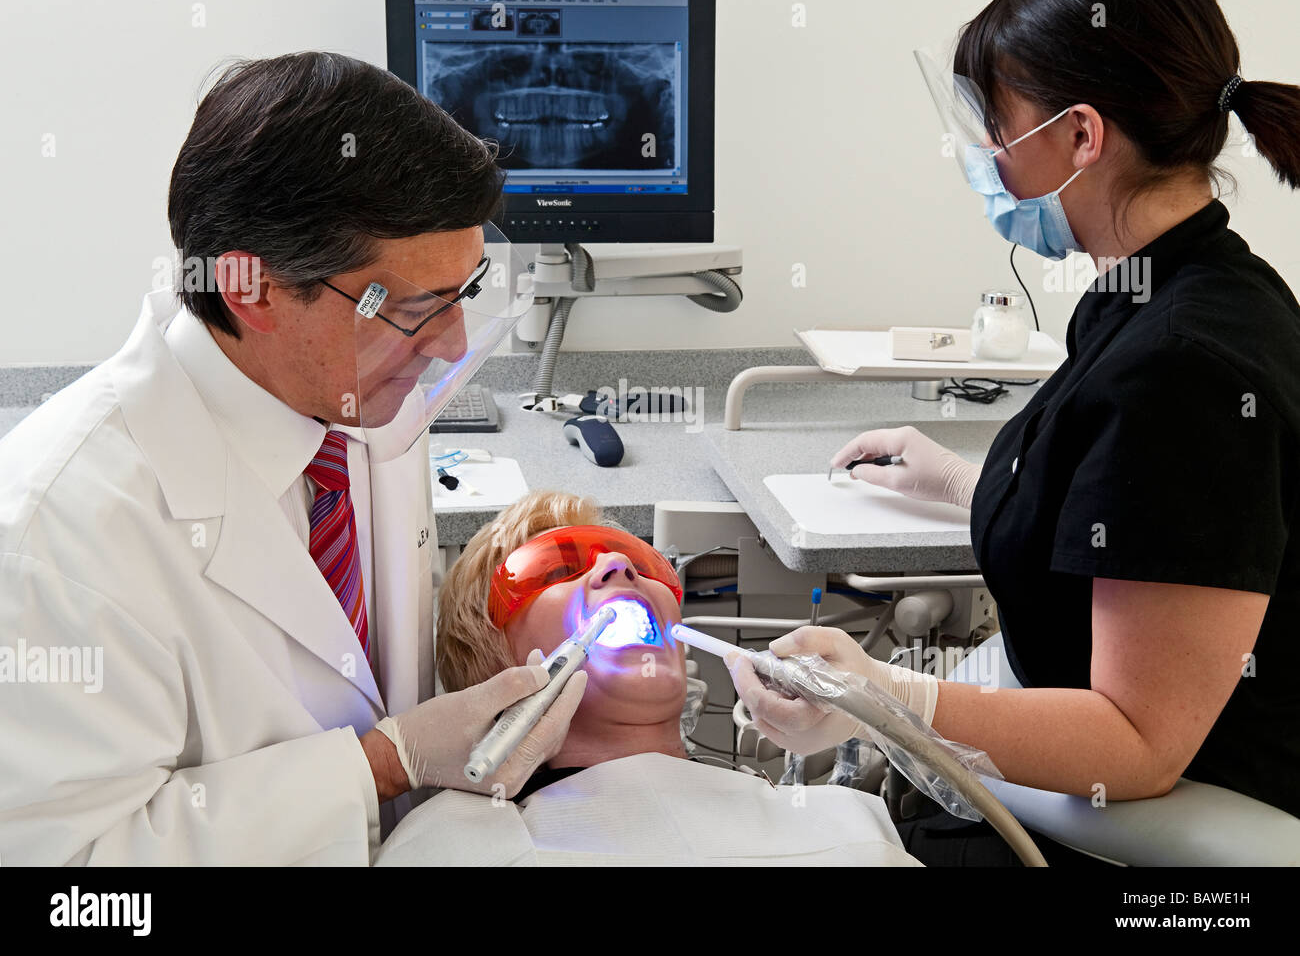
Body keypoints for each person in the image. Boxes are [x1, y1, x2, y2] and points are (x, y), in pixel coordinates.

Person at [728, 0, 1300, 866]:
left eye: (998, 125)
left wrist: (883, 697)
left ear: (1081, 138)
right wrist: (968, 481)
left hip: (1157, 838)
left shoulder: (1187, 363)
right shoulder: (1154, 289)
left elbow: (1136, 745)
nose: (985, 155)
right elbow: (1134, 516)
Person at [0, 51, 582, 865]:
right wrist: (380, 764)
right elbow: (75, 888)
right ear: (253, 289)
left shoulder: (361, 399)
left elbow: (365, 673)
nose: (449, 344)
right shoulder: (56, 536)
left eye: (466, 289)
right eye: (417, 307)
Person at [374, 491, 921, 866]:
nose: (618, 565)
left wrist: (897, 705)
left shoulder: (846, 821)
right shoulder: (454, 846)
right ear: (497, 669)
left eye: (639, 559)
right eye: (555, 569)